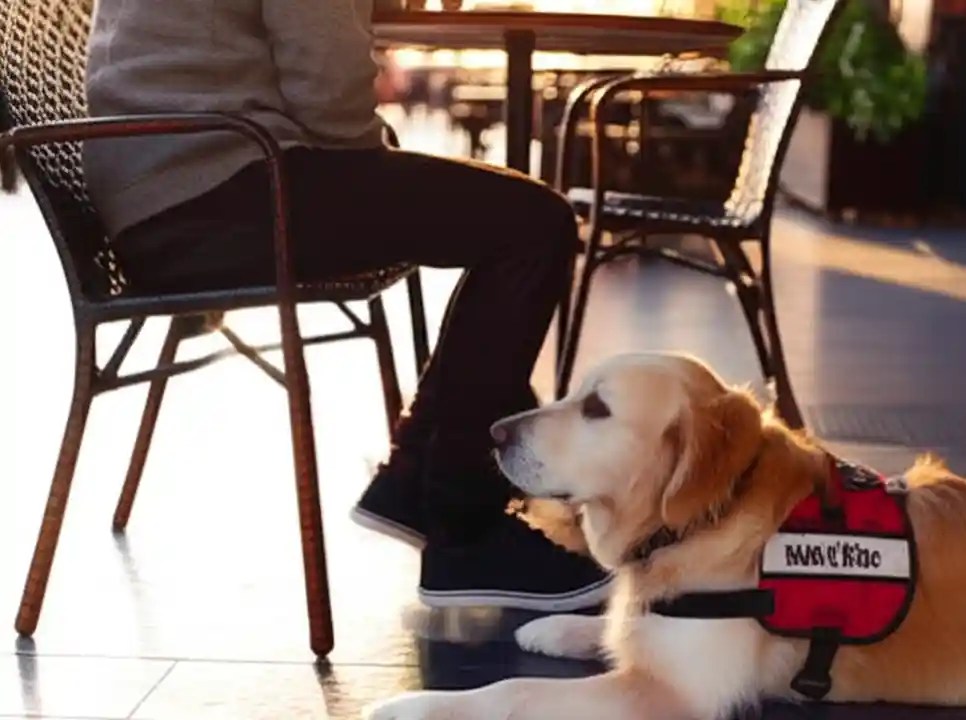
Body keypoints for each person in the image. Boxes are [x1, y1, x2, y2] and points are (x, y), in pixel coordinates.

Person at [84, 0, 610, 610]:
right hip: (228, 187)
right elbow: (330, 95)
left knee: (493, 216)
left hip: (155, 198)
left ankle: (418, 481)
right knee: (533, 222)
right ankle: (462, 527)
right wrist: (378, 159)